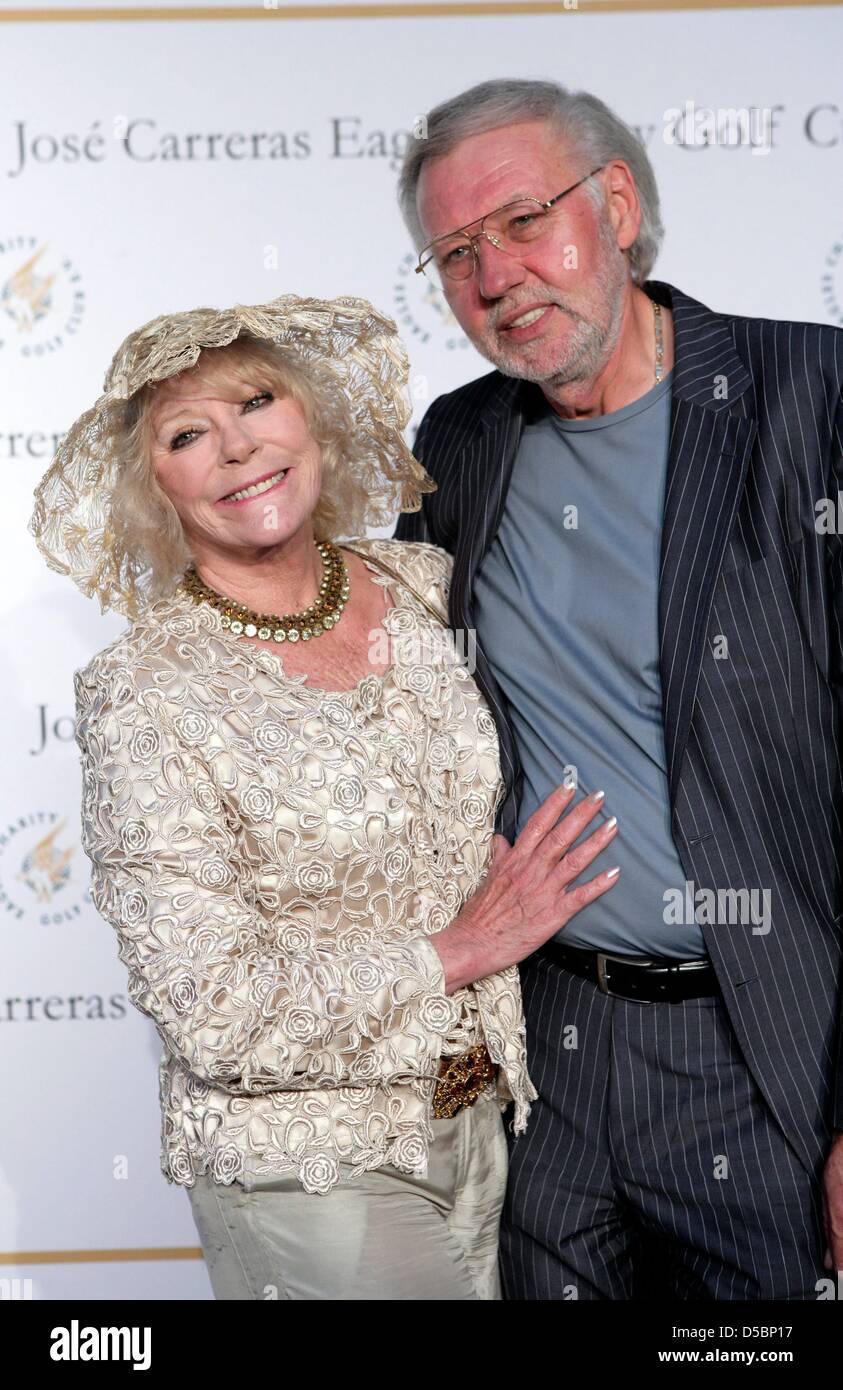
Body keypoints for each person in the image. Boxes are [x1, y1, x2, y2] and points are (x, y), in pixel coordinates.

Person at [29, 293, 621, 1301]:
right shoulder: (145, 689)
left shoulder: (425, 581)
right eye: (187, 434)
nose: (237, 448)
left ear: (309, 415)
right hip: (314, 1176)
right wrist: (460, 948)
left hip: (500, 1136)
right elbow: (212, 1008)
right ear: (154, 486)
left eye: (258, 401)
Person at [393, 77, 843, 1300]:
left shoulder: (814, 396)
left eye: (524, 221)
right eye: (456, 253)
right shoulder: (459, 444)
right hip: (550, 1061)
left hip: (768, 1051)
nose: (496, 278)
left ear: (619, 203)